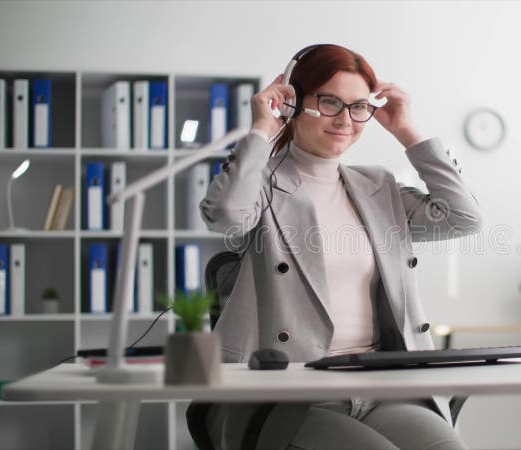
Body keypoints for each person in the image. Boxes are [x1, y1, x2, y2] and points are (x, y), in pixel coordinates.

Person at [200, 44, 482, 450]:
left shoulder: (377, 187)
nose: (346, 119)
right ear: (293, 103)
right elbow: (225, 214)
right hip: (291, 397)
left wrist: (406, 130)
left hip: (377, 387)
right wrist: (263, 127)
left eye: (359, 106)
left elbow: (463, 217)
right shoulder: (262, 186)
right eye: (330, 102)